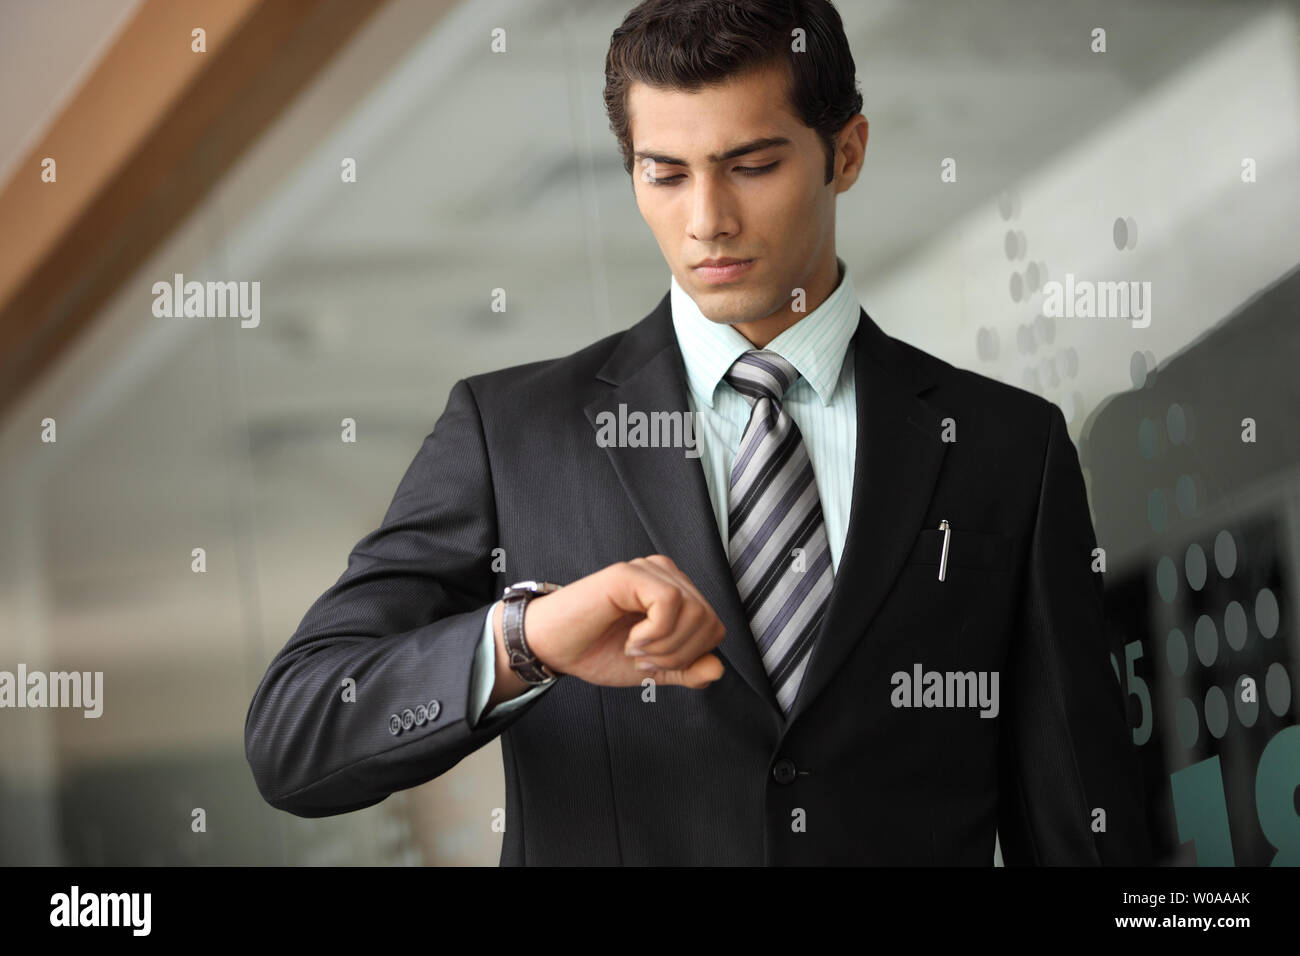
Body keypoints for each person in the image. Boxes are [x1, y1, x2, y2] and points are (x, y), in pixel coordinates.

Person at [244, 0, 1152, 865]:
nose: (706, 220)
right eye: (665, 174)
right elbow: (296, 736)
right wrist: (528, 639)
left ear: (847, 151)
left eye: (752, 165)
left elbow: (1082, 825)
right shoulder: (511, 436)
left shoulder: (1006, 448)